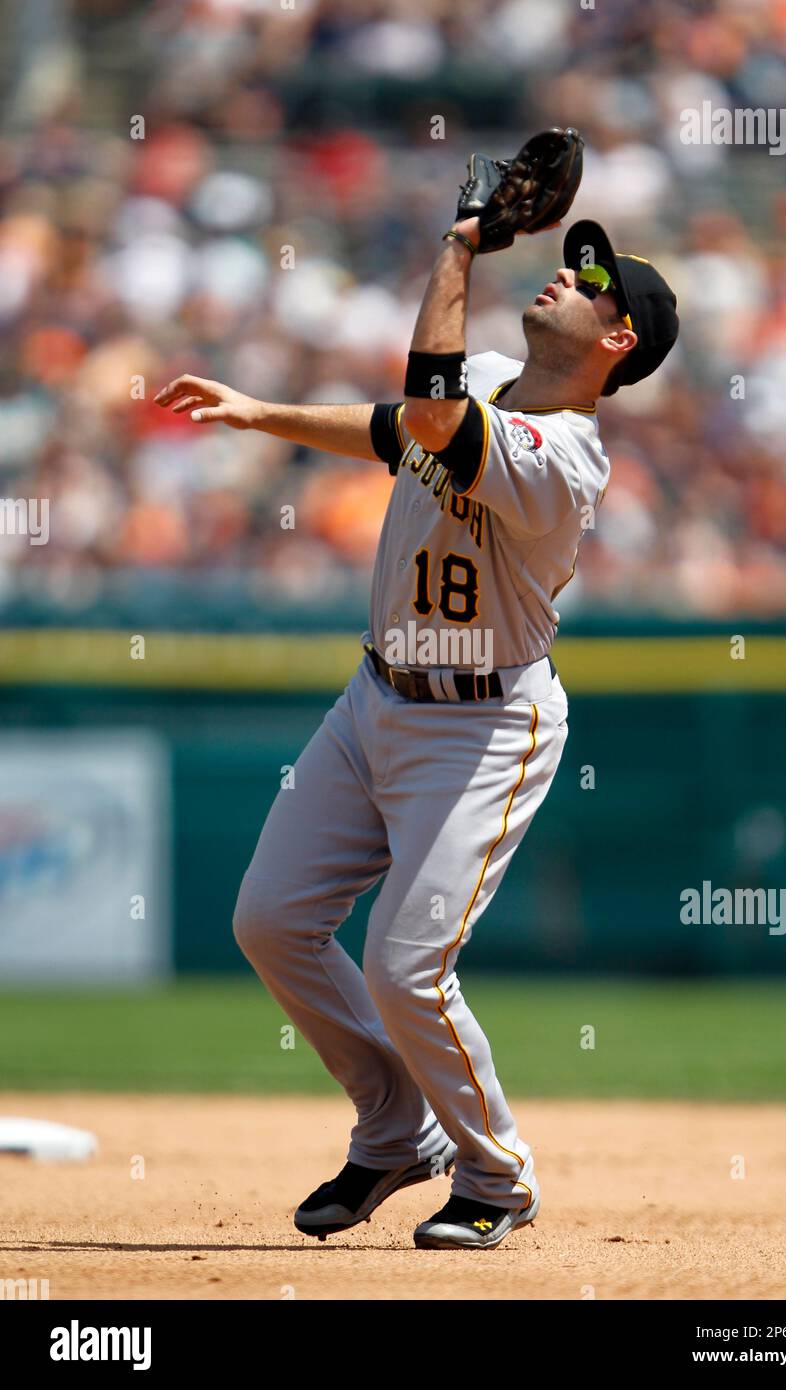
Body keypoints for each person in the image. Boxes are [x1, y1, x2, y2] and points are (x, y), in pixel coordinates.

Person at [155, 211, 678, 1250]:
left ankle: (497, 1174)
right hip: (375, 697)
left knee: (405, 967)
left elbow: (434, 423)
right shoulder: (482, 371)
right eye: (571, 268)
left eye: (591, 285)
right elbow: (400, 427)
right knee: (269, 920)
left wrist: (455, 251)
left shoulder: (566, 456)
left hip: (484, 727)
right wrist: (263, 414)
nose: (564, 281)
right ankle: (397, 1128)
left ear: (618, 340)